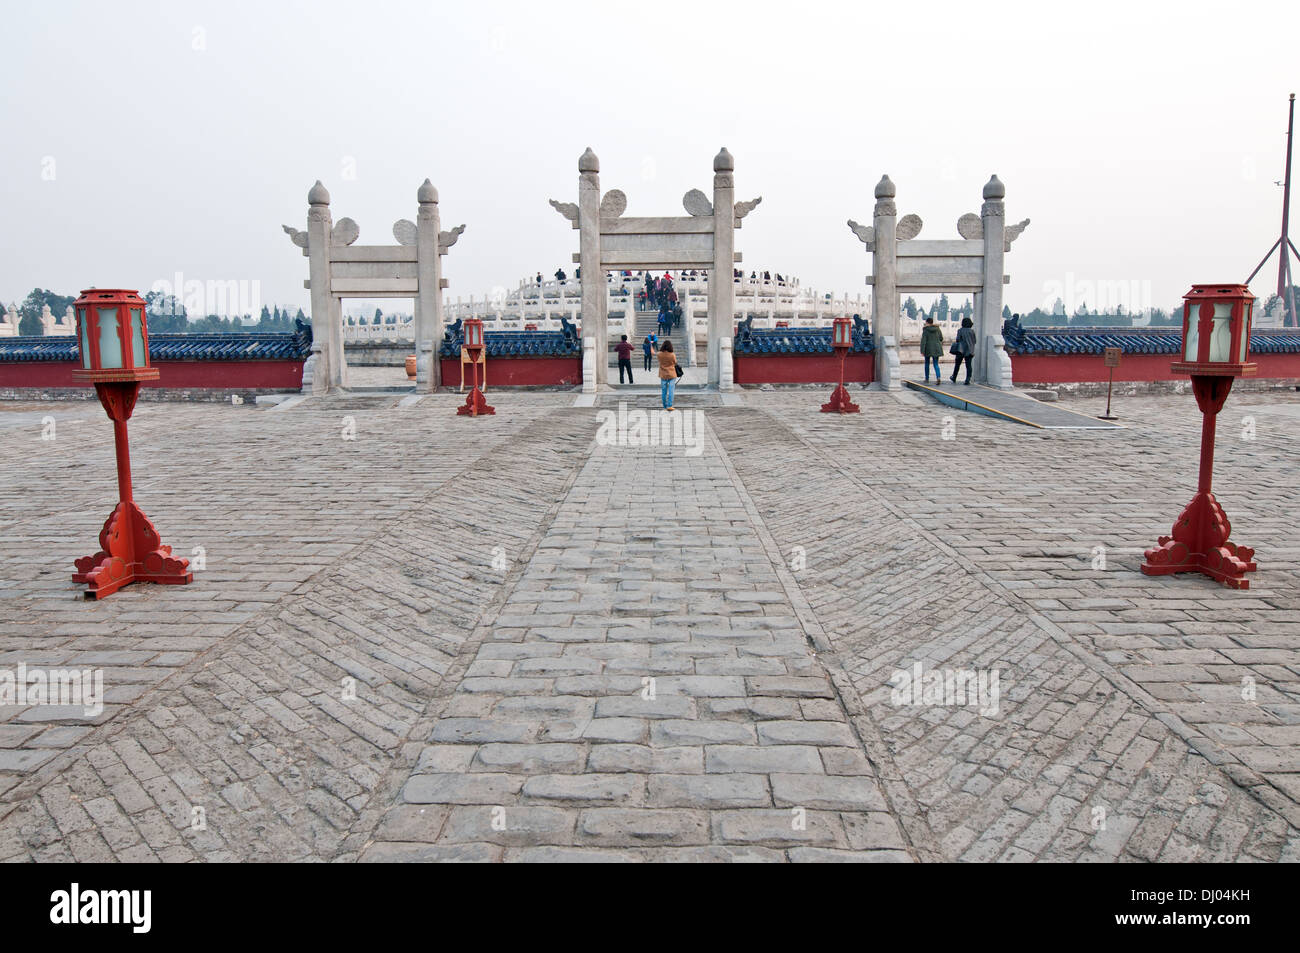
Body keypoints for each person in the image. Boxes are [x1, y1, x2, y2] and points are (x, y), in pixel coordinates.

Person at [950, 316, 976, 384]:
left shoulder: (960, 330)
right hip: (970, 350)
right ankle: (968, 379)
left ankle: (954, 377)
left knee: (957, 365)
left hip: (960, 350)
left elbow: (958, 339)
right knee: (968, 366)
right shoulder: (972, 331)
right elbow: (974, 341)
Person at [920, 315, 944, 383]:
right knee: (936, 364)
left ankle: (927, 378)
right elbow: (941, 338)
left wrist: (922, 350)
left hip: (928, 348)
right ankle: (938, 377)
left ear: (927, 322)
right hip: (937, 348)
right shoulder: (937, 329)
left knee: (927, 363)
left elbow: (923, 341)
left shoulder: (925, 330)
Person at [657, 339, 678, 410]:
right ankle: (669, 406)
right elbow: (675, 363)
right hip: (671, 374)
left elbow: (659, 360)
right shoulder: (672, 355)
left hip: (663, 374)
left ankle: (664, 406)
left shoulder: (659, 354)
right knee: (671, 390)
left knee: (664, 391)